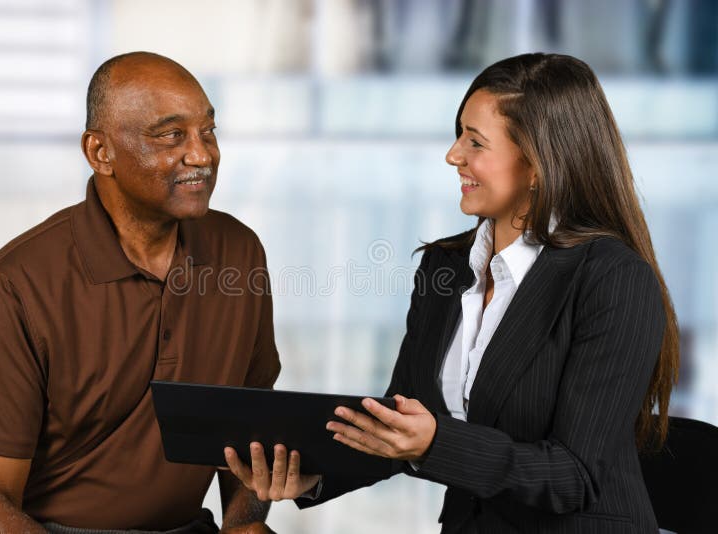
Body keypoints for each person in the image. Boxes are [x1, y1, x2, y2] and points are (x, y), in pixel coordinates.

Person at [224, 53, 679, 533]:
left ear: (538, 165)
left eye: (475, 142)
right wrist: (314, 475)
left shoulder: (612, 278)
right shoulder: (445, 268)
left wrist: (435, 444)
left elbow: (575, 476)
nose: (453, 154)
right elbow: (400, 420)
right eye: (459, 134)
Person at [0, 52, 280, 534]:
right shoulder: (13, 287)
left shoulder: (239, 253)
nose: (202, 155)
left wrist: (242, 524)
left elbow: (249, 419)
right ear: (100, 153)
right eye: (171, 135)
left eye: (208, 131)